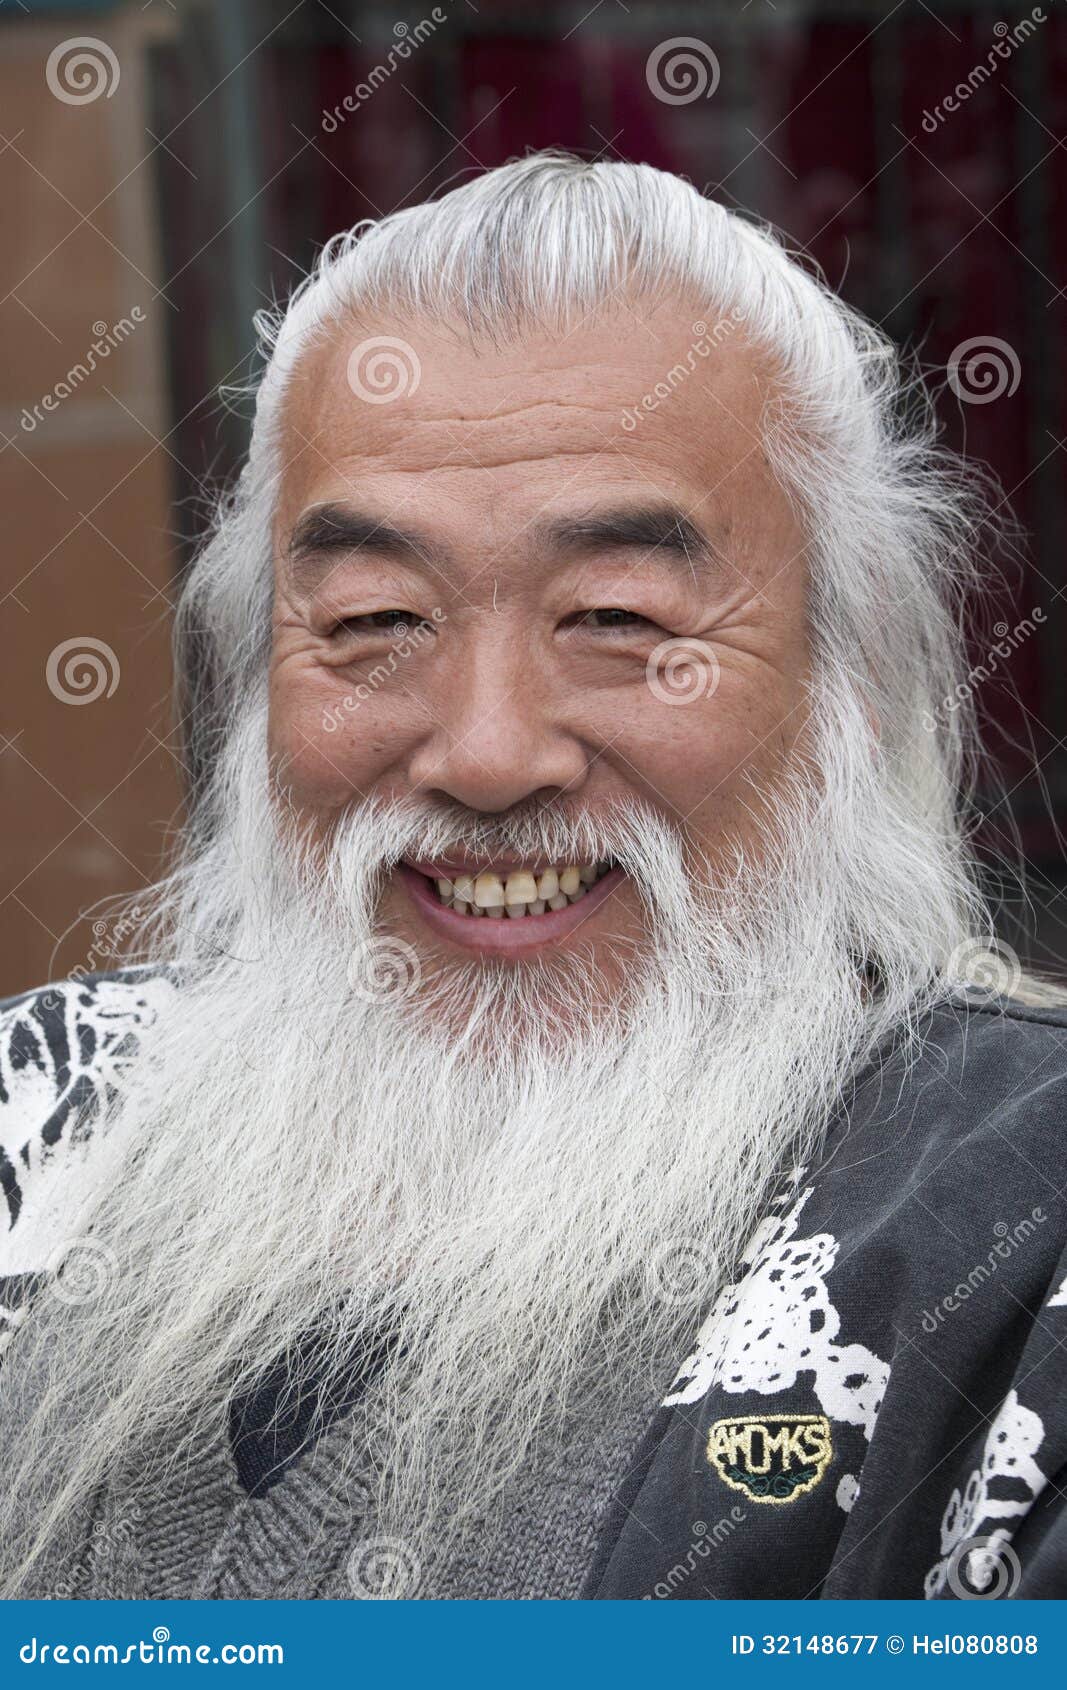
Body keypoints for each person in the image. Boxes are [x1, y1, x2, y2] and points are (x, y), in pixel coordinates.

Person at [1, 151, 1065, 1601]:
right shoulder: (42, 1118)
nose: (489, 755)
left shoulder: (1021, 1236)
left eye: (620, 618)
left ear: (851, 680)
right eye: (376, 620)